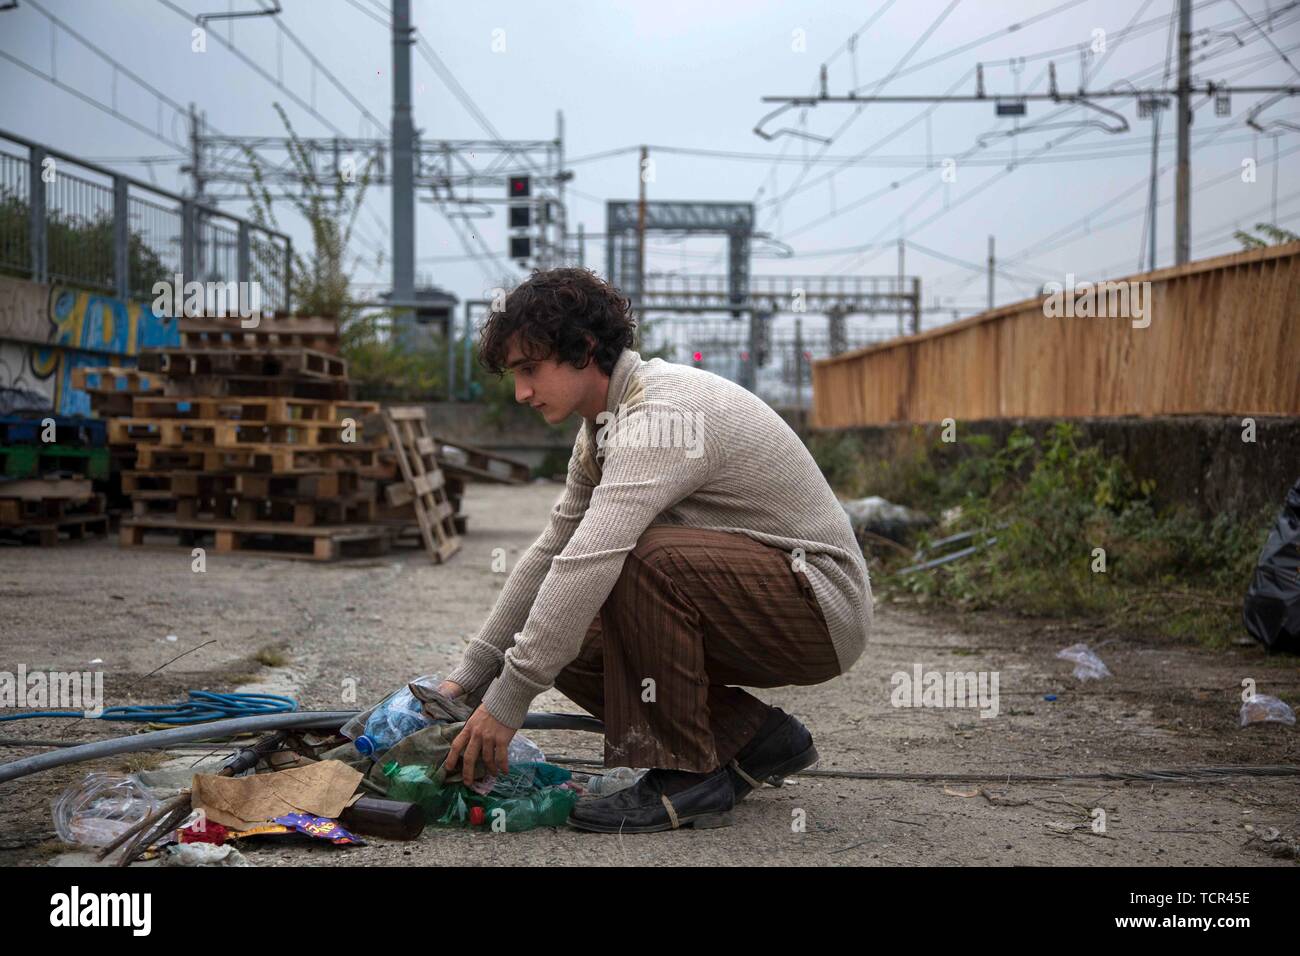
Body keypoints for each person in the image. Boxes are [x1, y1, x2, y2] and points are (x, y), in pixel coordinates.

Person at [437, 267, 872, 833]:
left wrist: (507, 703)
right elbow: (554, 552)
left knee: (640, 558)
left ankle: (687, 780)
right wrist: (467, 680)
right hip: (767, 599)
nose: (521, 392)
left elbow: (592, 555)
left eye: (528, 369)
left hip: (820, 603)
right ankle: (753, 738)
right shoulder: (603, 425)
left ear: (584, 349)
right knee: (571, 636)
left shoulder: (659, 415)